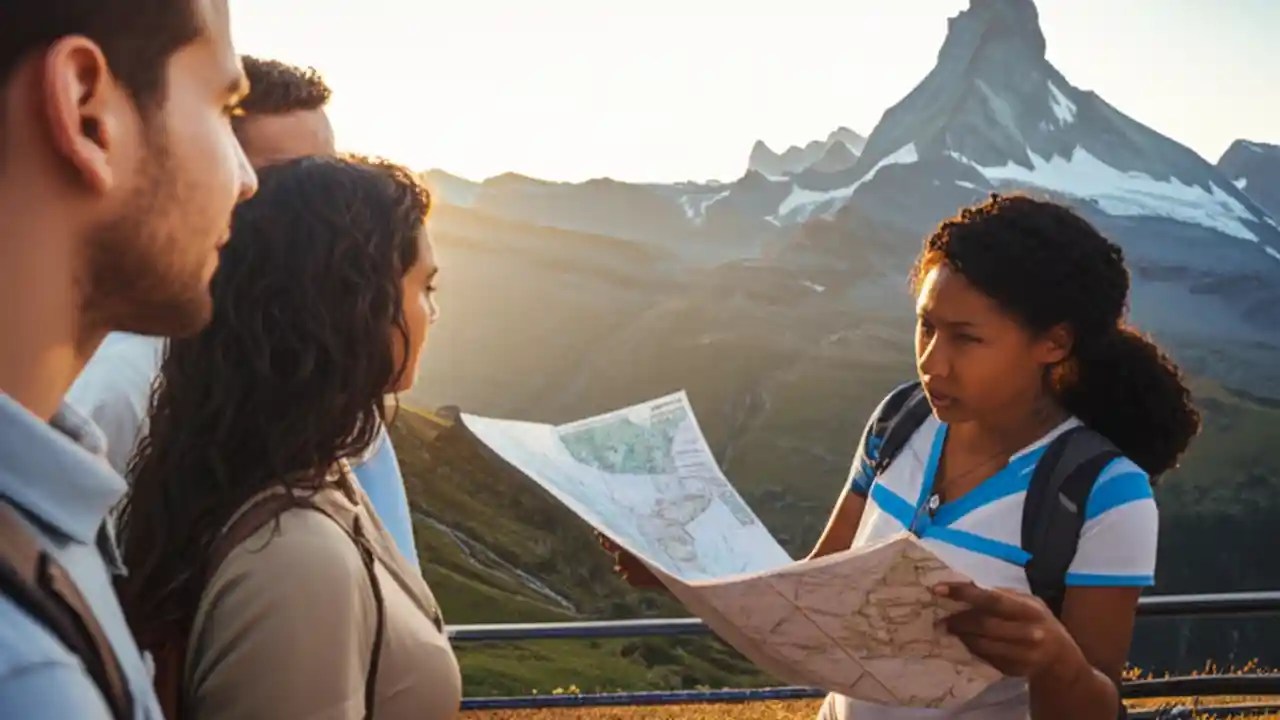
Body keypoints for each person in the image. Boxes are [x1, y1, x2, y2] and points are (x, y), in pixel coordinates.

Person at [606, 194, 1201, 720]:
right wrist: (681, 573)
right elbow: (811, 595)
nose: (932, 363)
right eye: (925, 327)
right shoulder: (899, 421)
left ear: (1054, 342)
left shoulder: (1104, 493)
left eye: (966, 338)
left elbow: (1096, 707)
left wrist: (1056, 663)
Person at [117, 156, 459, 720]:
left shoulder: (313, 477)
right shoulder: (296, 559)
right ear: (356, 302)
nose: (433, 312)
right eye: (425, 286)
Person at [0, 0, 257, 717]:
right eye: (224, 106)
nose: (246, 179)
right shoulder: (30, 682)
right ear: (89, 113)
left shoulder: (50, 491)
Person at [65, 56, 422, 568]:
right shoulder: (126, 386)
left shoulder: (327, 371)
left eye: (332, 172)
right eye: (290, 180)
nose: (327, 206)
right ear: (229, 179)